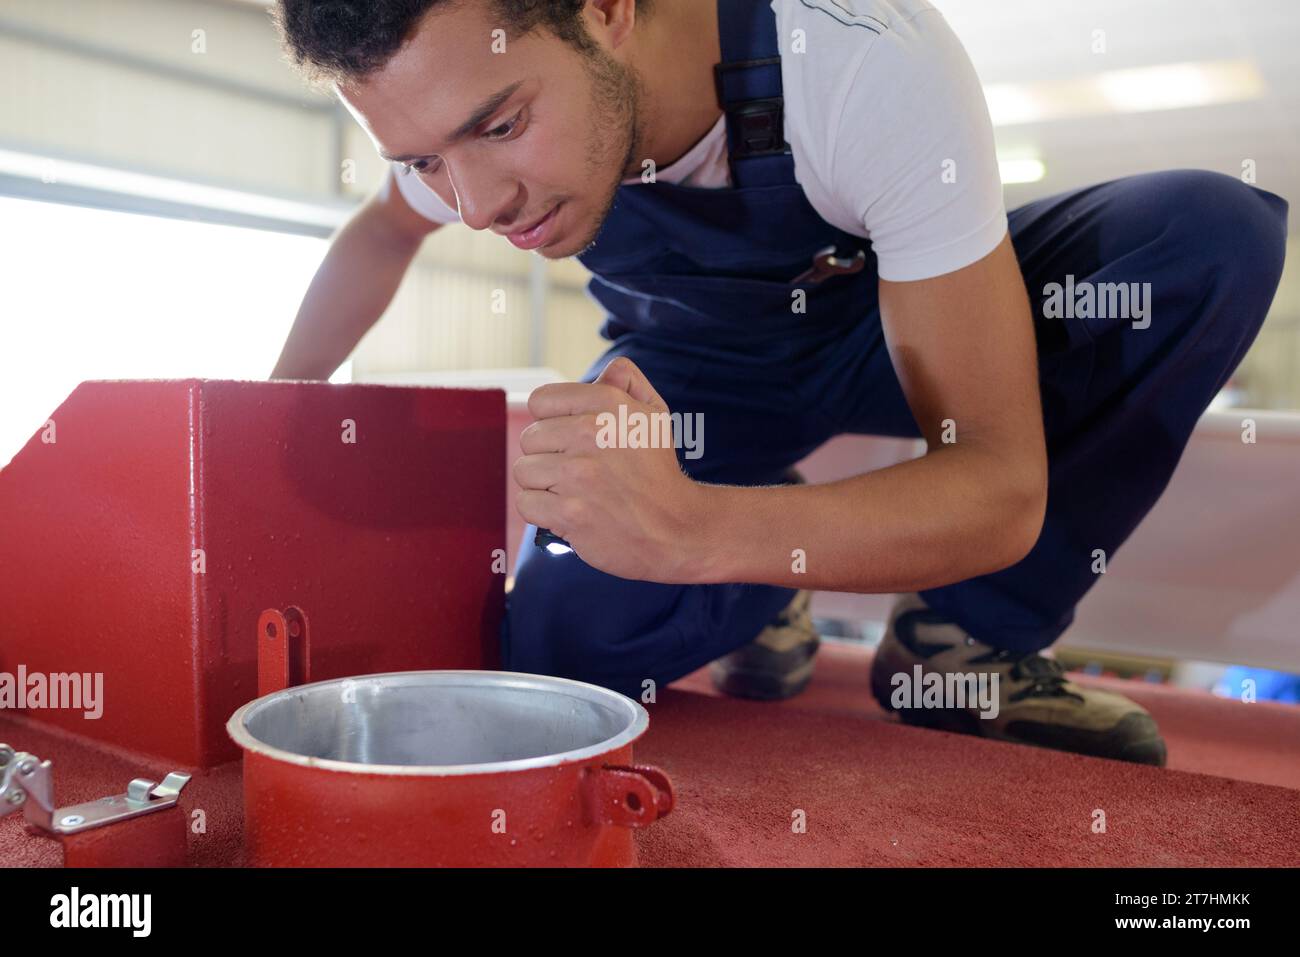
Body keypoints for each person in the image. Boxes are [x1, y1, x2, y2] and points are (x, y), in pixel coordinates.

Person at [271, 0, 1289, 766]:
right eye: (422, 160)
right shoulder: (449, 120)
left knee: (1203, 238)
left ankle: (965, 643)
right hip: (698, 374)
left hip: (909, 322)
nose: (478, 204)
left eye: (500, 127)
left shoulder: (858, 61)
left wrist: (688, 532)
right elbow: (383, 232)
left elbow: (999, 487)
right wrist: (278, 400)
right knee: (557, 650)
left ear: (607, 10)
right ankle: (766, 574)